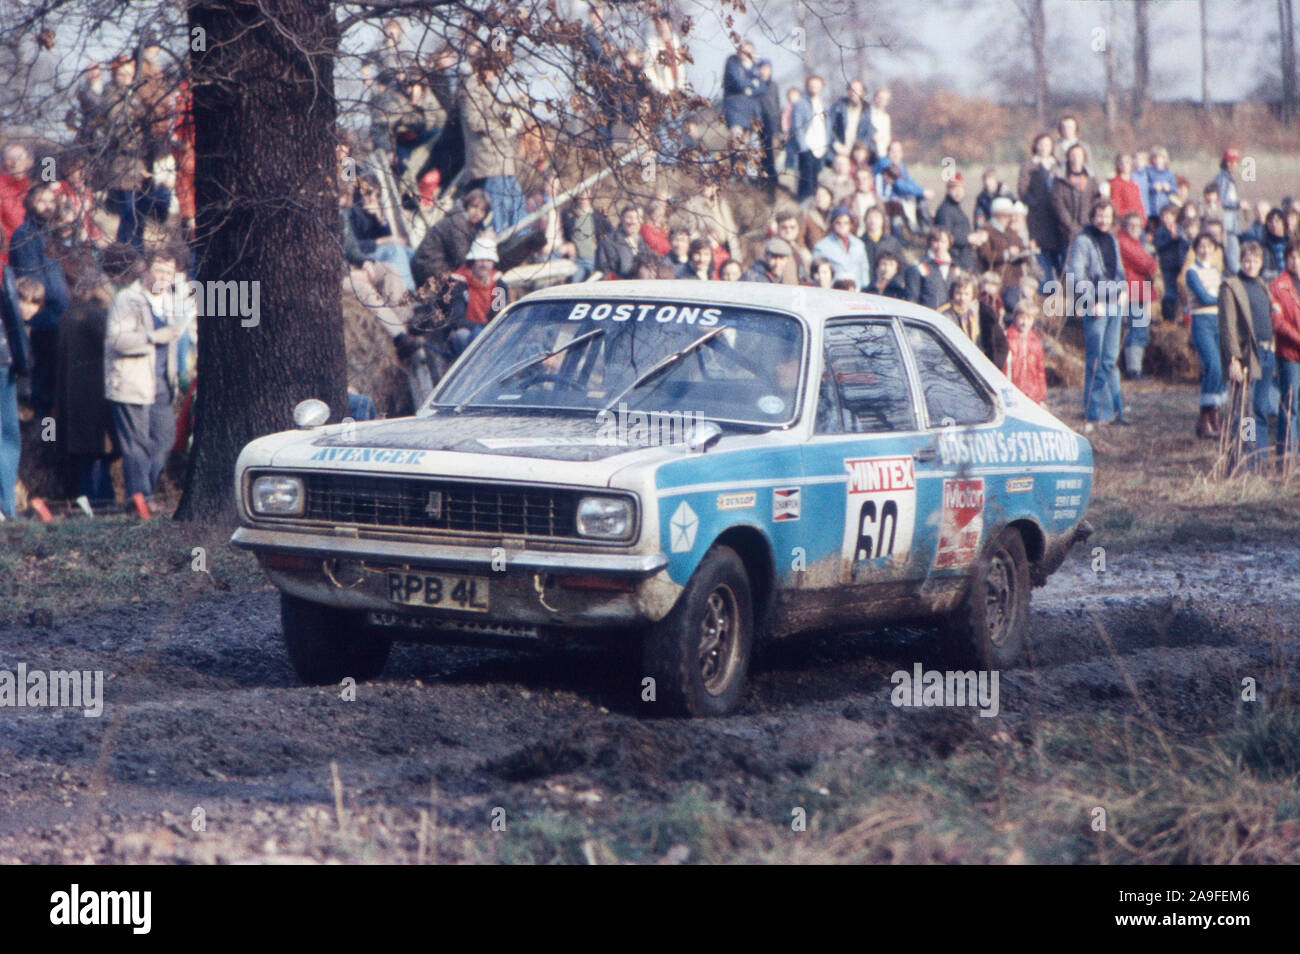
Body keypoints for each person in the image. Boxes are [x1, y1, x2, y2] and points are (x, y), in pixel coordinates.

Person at [105, 246, 191, 513]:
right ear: (145, 268)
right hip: (132, 383)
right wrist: (153, 338)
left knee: (165, 440)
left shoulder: (170, 301)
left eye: (169, 271)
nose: (164, 276)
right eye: (159, 269)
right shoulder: (128, 300)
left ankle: (146, 494)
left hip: (163, 386)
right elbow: (116, 340)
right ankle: (139, 499)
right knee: (137, 444)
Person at [1066, 198, 1128, 428]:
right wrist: (1091, 302)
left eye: (1107, 216)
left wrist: (1123, 291)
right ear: (1093, 216)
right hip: (1097, 307)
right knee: (1096, 359)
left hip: (1115, 305)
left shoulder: (1112, 239)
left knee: (1111, 359)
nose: (1103, 220)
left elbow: (1120, 271)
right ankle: (1095, 411)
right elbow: (1076, 275)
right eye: (1099, 215)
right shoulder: (1083, 241)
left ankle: (1116, 409)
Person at [9, 183, 70, 415]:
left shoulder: (49, 233)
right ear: (29, 203)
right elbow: (31, 282)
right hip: (43, 317)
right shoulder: (25, 235)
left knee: (53, 376)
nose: (47, 206)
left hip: (58, 316)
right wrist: (57, 299)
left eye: (51, 201)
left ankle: (49, 431)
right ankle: (43, 432)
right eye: (42, 201)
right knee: (44, 379)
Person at [57, 275, 117, 502]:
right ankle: (99, 499)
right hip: (95, 393)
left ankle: (86, 496)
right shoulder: (96, 316)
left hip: (70, 395)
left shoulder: (67, 315)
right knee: (96, 451)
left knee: (85, 452)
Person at [1219, 241, 1275, 470]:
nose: (1250, 265)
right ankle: (1243, 461)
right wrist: (1233, 358)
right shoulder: (1231, 286)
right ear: (1240, 261)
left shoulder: (1262, 284)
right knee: (1245, 411)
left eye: (1255, 261)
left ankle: (1258, 458)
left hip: (1267, 352)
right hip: (1246, 356)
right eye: (1246, 260)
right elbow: (1228, 326)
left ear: (1261, 263)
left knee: (1260, 408)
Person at [459, 58, 527, 233]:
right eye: (492, 70)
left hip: (501, 157)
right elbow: (474, 121)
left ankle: (521, 234)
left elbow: (497, 112)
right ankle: (499, 238)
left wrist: (515, 102)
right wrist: (501, 131)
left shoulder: (487, 89)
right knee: (499, 203)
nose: (495, 75)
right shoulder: (472, 87)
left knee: (517, 198)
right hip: (488, 159)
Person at [0, 248, 33, 518]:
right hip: (4, 360)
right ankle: (6, 505)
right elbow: (13, 318)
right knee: (7, 435)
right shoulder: (3, 272)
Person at [1184, 232, 1226, 438]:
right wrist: (1219, 298)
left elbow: (1225, 293)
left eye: (1209, 246)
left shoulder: (1217, 271)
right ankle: (1204, 417)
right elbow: (1203, 297)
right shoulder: (1192, 272)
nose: (1205, 250)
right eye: (1201, 246)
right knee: (1213, 366)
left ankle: (1214, 414)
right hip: (1201, 321)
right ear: (1196, 249)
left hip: (1218, 321)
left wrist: (1220, 299)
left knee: (1222, 369)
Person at [412, 189, 491, 290]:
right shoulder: (458, 222)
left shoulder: (469, 223)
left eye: (482, 210)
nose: (477, 213)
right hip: (428, 269)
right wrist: (483, 241)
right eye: (474, 207)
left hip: (434, 267)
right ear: (467, 206)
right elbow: (462, 257)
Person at [442, 234, 506, 355]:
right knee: (461, 336)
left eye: (488, 260)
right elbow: (457, 319)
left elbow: (499, 315)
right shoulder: (458, 284)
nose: (484, 265)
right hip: (469, 332)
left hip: (490, 332)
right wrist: (482, 329)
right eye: (481, 260)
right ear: (472, 262)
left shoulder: (499, 285)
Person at [1116, 211, 1157, 379]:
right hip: (1133, 290)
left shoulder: (1135, 243)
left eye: (1137, 226)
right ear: (1124, 227)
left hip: (1139, 289)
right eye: (1130, 225)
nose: (1134, 229)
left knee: (1139, 328)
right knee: (1137, 329)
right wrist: (1153, 265)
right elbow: (1146, 263)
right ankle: (1133, 370)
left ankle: (1134, 367)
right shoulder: (1124, 242)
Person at [1018, 132, 1063, 281]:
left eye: (1047, 144)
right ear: (1035, 146)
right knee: (1044, 261)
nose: (1044, 148)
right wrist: (1036, 203)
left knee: (1061, 262)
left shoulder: (1057, 165)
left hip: (1057, 218)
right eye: (1041, 144)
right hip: (1038, 219)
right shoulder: (1029, 165)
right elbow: (1022, 190)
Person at [938, 274, 1007, 368]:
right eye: (958, 293)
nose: (962, 298)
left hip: (980, 369)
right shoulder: (944, 314)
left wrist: (993, 367)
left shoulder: (984, 312)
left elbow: (1001, 344)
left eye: (966, 294)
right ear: (952, 293)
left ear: (973, 294)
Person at [1271, 241, 1300, 459]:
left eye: (1299, 257)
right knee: (1289, 404)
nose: (1295, 262)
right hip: (1289, 354)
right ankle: (1286, 455)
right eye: (1291, 257)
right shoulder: (1278, 286)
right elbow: (1278, 322)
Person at [979, 196, 1035, 292]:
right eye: (1008, 215)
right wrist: (1007, 254)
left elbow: (1021, 249)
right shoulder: (986, 231)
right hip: (1000, 281)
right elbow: (986, 256)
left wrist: (1028, 249)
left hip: (1017, 281)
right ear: (998, 215)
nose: (1011, 218)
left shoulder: (1010, 231)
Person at [1051, 143, 1101, 252]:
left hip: (1089, 227)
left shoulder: (1091, 178)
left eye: (1079, 155)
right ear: (1068, 157)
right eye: (1073, 155)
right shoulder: (1060, 178)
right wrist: (1070, 225)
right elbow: (1058, 203)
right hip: (1066, 231)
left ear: (1084, 157)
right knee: (1070, 265)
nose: (1076, 158)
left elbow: (1097, 200)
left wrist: (1092, 221)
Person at [789, 75, 830, 200]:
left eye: (817, 85)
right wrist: (803, 147)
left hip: (820, 147)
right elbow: (797, 126)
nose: (814, 88)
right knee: (806, 182)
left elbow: (827, 125)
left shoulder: (824, 104)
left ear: (821, 87)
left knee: (817, 181)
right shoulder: (800, 103)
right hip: (807, 147)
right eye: (811, 85)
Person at [934, 172, 983, 272]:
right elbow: (945, 237)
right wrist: (968, 238)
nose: (958, 193)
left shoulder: (956, 208)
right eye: (954, 189)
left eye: (960, 189)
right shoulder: (945, 210)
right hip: (955, 260)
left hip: (964, 258)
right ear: (948, 190)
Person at [812, 207, 870, 291]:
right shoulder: (822, 247)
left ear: (850, 224)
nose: (842, 226)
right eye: (838, 223)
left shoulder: (859, 245)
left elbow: (864, 270)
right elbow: (816, 273)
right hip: (833, 291)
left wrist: (864, 288)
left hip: (857, 291)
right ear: (832, 224)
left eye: (846, 223)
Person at [1005, 298, 1047, 405]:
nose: (1025, 322)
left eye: (1029, 319)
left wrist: (1041, 396)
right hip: (1013, 392)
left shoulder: (1036, 342)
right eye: (1022, 318)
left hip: (1032, 394)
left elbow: (1040, 371)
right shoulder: (1007, 339)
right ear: (1015, 318)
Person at [905, 227, 958, 309]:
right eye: (936, 241)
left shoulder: (954, 269)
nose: (939, 246)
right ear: (930, 242)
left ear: (949, 244)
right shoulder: (919, 267)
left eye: (943, 242)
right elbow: (912, 299)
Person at [596, 204, 653, 280]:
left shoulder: (642, 242)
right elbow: (606, 273)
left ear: (641, 221)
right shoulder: (608, 243)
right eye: (629, 217)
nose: (633, 222)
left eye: (637, 218)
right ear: (621, 219)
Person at [0, 144, 33, 264]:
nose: (15, 163)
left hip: (32, 250)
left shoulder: (33, 187)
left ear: (28, 162)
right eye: (9, 159)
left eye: (20, 158)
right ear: (3, 162)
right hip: (7, 254)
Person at [722, 42, 760, 137]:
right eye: (744, 52)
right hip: (735, 109)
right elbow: (738, 82)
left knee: (747, 144)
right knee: (737, 142)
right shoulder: (732, 63)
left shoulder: (754, 66)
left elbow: (761, 85)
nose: (746, 54)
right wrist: (752, 83)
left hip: (749, 110)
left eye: (749, 52)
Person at [1215, 148, 1244, 274]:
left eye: (1235, 162)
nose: (1233, 165)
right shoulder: (1223, 178)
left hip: (1232, 224)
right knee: (1233, 262)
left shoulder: (1229, 178)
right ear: (1224, 162)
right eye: (1229, 162)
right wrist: (1238, 204)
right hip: (1227, 226)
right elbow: (1220, 200)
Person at [830, 79, 873, 161]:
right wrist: (836, 144)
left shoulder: (867, 109)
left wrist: (862, 149)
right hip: (839, 151)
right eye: (851, 89)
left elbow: (868, 131)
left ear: (862, 92)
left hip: (857, 153)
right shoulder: (839, 106)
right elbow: (829, 127)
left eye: (857, 90)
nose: (853, 92)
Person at [1138, 145, 1177, 226]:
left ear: (1165, 159)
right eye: (1155, 158)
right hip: (1151, 207)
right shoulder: (1148, 171)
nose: (1158, 161)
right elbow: (1143, 185)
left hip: (1164, 206)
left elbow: (1174, 188)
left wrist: (1168, 188)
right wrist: (1152, 186)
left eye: (1160, 158)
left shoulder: (1168, 173)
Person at [773, 211, 811, 285]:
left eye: (792, 227)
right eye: (784, 227)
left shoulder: (797, 248)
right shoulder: (774, 249)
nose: (788, 231)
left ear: (798, 229)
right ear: (778, 228)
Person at [1109, 153, 1146, 221]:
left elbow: (1139, 205)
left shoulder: (1134, 184)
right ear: (1118, 165)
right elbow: (1116, 208)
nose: (1125, 165)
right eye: (1121, 163)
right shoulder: (1115, 183)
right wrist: (1130, 217)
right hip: (1125, 222)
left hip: (1138, 222)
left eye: (1127, 162)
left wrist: (1142, 220)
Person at [801, 184, 834, 250]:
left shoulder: (836, 215)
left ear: (830, 198)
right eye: (818, 195)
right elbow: (800, 238)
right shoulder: (808, 216)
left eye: (824, 195)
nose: (820, 198)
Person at [868, 87, 891, 161]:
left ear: (887, 102)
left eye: (884, 99)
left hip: (882, 154)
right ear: (874, 98)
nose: (881, 101)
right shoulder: (866, 113)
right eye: (879, 97)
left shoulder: (886, 117)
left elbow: (887, 137)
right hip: (868, 152)